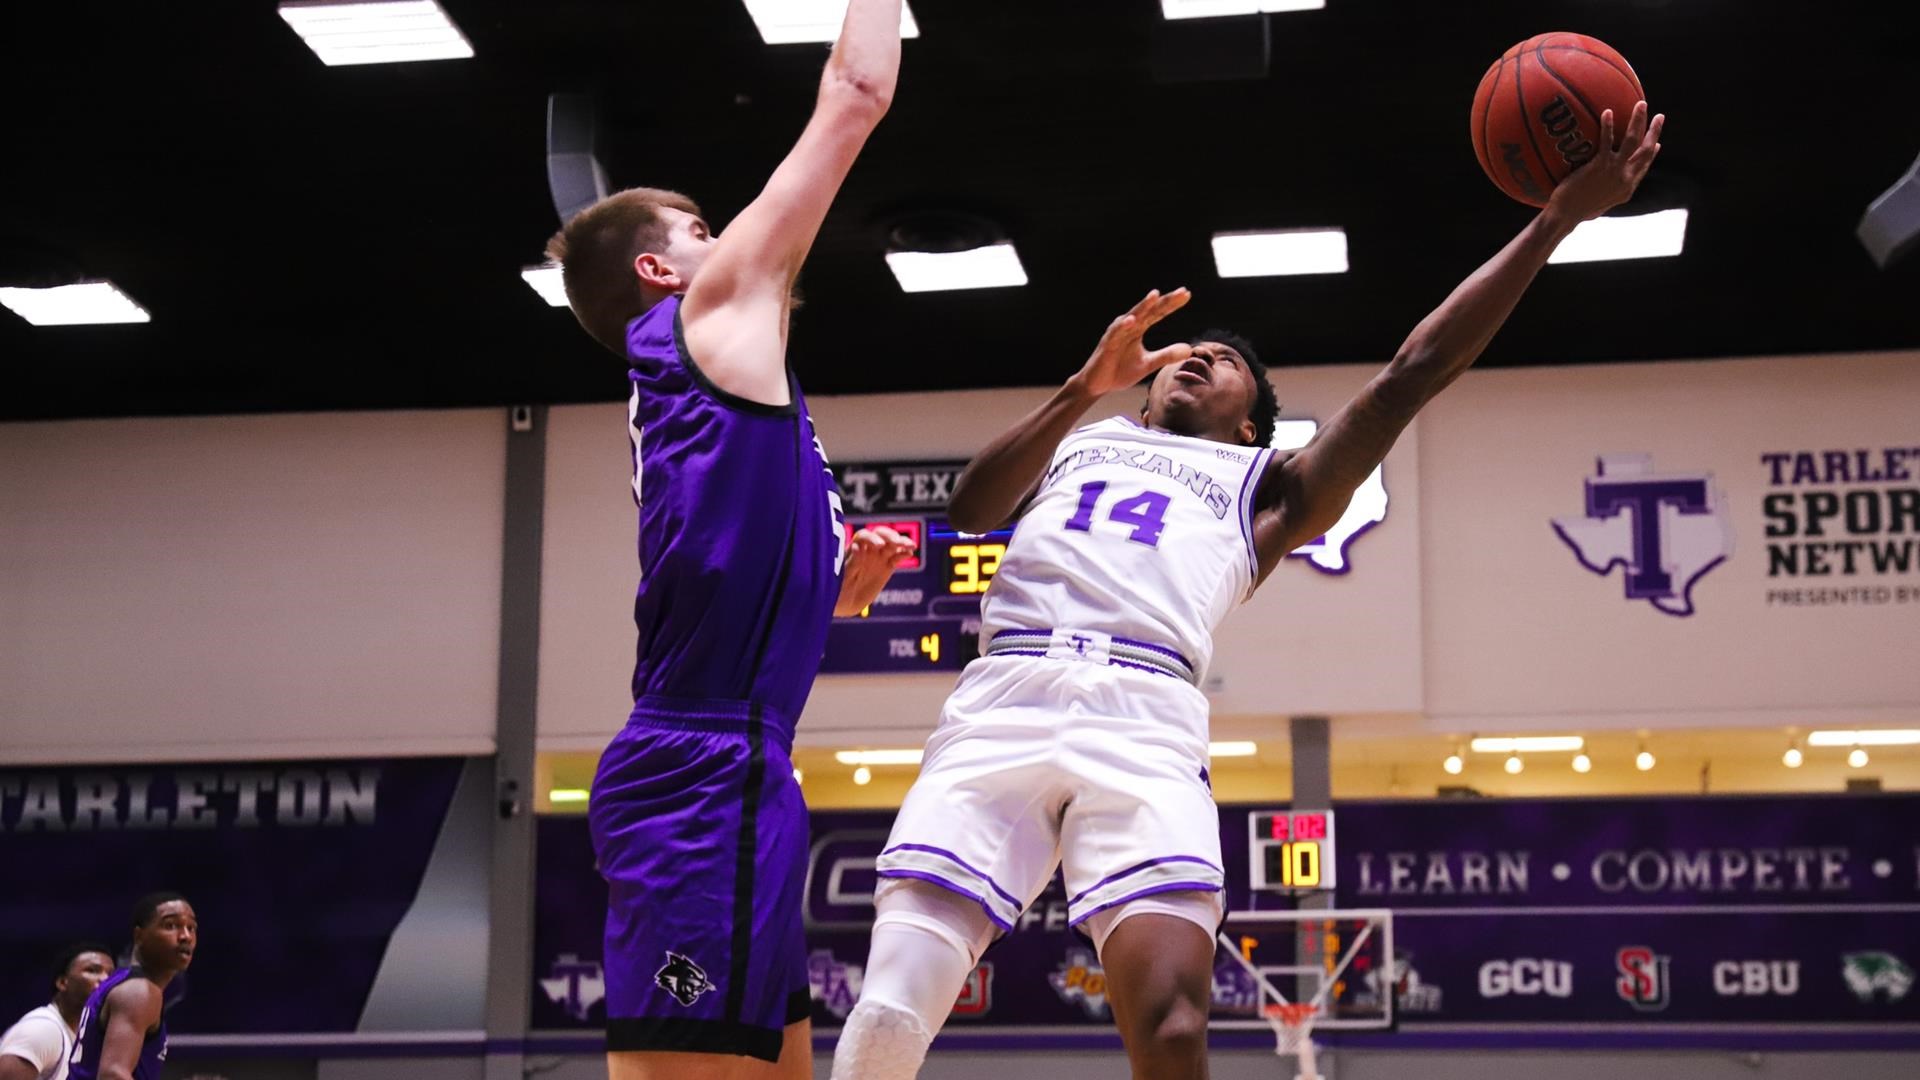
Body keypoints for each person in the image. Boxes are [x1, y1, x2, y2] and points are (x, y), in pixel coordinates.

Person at [832, 104, 1666, 1079]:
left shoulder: (1266, 490)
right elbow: (972, 508)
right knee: (891, 1008)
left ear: (1248, 427)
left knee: (1175, 1027)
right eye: (1184, 354)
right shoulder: (1085, 438)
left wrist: (1555, 221)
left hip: (1145, 718)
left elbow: (1413, 374)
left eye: (1224, 361)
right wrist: (1081, 386)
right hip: (1004, 699)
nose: (1195, 356)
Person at [541, 1, 914, 1076]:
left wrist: (838, 590)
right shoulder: (708, 321)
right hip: (698, 781)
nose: (733, 239)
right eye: (703, 230)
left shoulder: (718, 394)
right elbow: (856, 93)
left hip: (740, 768)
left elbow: (734, 580)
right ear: (663, 275)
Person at [66, 893, 196, 1080]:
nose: (185, 936)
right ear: (139, 936)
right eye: (170, 926)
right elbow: (113, 1075)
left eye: (191, 928)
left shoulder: (121, 982)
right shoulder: (138, 991)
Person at [0, 943, 114, 1080]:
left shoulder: (81, 1037)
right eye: (92, 970)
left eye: (111, 975)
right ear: (62, 982)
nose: (105, 979)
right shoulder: (43, 1029)